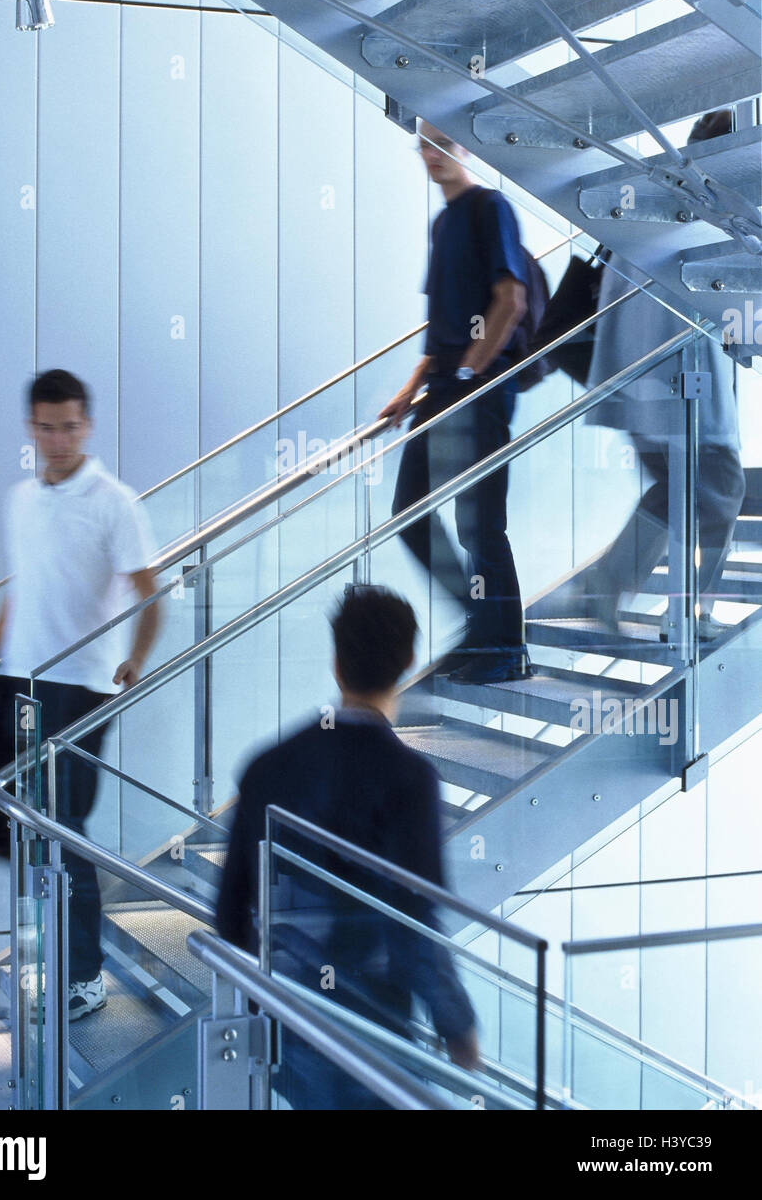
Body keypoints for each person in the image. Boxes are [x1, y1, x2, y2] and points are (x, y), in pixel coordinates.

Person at [216, 584, 479, 1110]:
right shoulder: (409, 777)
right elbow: (414, 919)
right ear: (407, 662)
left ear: (336, 664)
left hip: (287, 1020)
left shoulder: (267, 764)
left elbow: (230, 911)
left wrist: (261, 1000)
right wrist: (457, 1026)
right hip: (374, 1027)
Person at [0, 369, 161, 1020]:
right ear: (31, 428)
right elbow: (21, 588)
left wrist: (134, 658)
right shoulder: (21, 498)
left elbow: (148, 590)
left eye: (69, 426)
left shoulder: (114, 500)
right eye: (46, 427)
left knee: (60, 828)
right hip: (15, 677)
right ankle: (53, 930)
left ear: (88, 425)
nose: (57, 439)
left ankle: (83, 974)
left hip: (79, 684)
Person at [530, 111, 745, 636]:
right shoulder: (700, 212)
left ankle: (617, 589)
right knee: (719, 490)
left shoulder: (650, 196)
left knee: (676, 493)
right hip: (681, 388)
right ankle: (689, 614)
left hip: (639, 384)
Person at [381, 121, 532, 684]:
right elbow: (441, 323)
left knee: (480, 524)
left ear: (464, 145)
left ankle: (504, 648)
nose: (433, 154)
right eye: (424, 143)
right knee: (409, 511)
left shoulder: (489, 207)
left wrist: (470, 372)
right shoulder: (442, 222)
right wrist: (411, 387)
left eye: (443, 143)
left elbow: (509, 300)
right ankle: (478, 623)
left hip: (482, 387)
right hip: (445, 387)